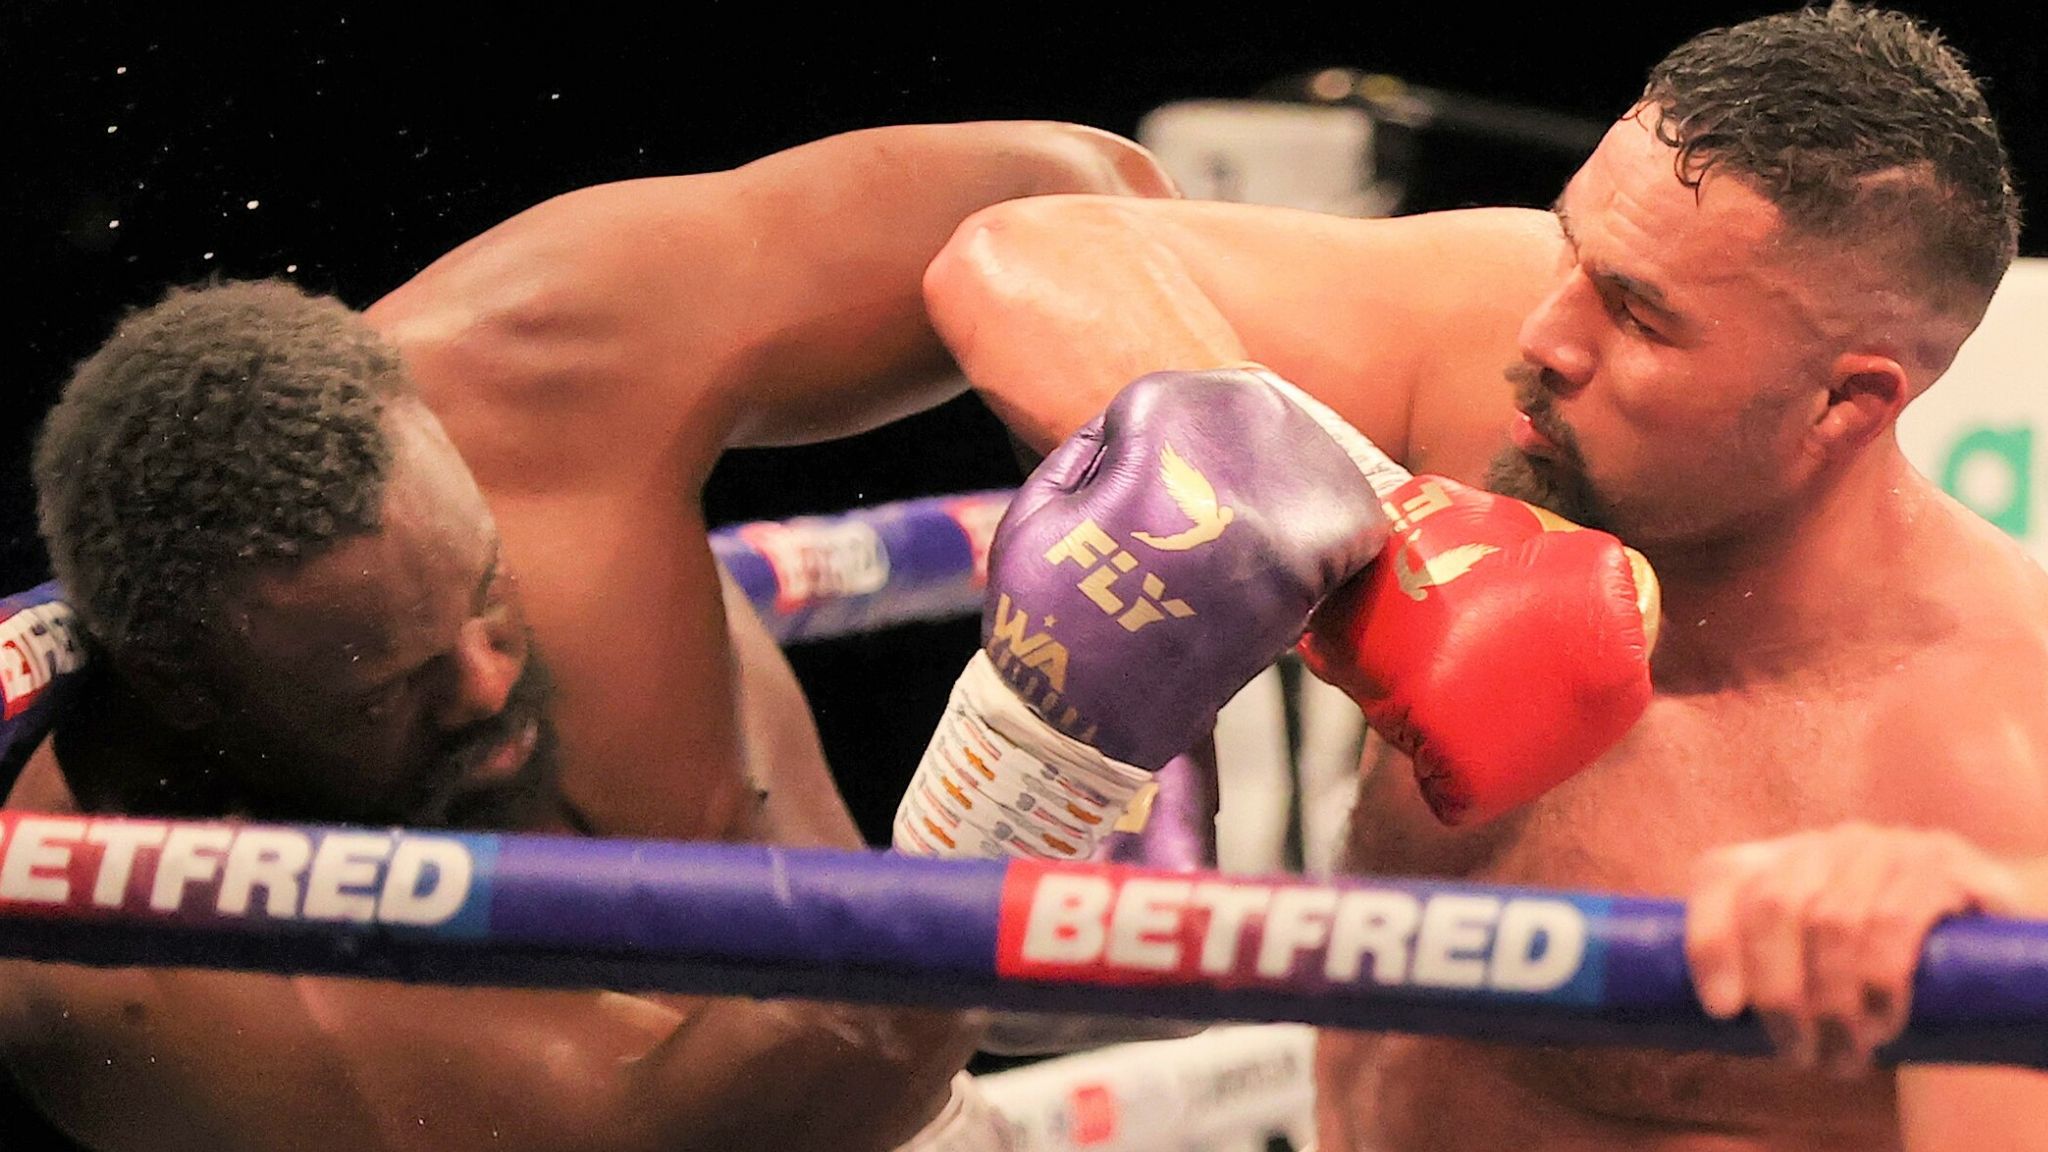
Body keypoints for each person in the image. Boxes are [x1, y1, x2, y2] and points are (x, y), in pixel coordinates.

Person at [919, 3, 2048, 1147]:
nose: (1545, 334)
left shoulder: (1985, 766)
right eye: (1570, 249)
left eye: (1639, 317)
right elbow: (1022, 258)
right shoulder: (1515, 356)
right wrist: (1393, 541)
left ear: (1841, 404)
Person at [7, 120, 1178, 1152]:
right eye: (386, 686)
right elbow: (680, 1142)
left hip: (931, 1086)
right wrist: (1032, 781)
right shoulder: (129, 945)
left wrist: (1157, 587)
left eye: (486, 592)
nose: (482, 683)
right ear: (193, 688)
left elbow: (1074, 196)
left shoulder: (533, 364)